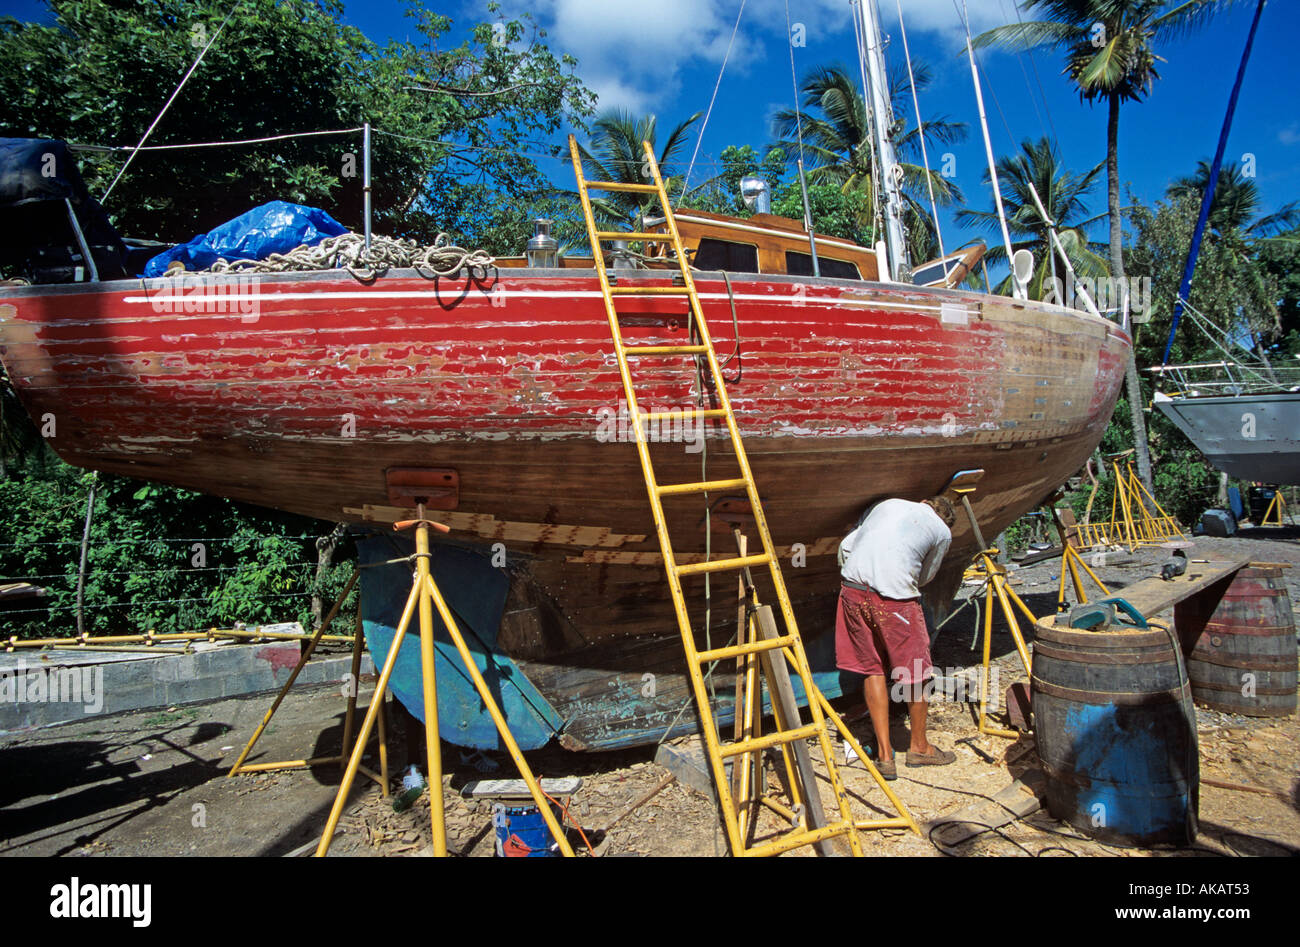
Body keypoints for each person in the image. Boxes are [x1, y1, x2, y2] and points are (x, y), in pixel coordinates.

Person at [835, 496, 957, 779]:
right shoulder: (942, 532)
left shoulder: (886, 504)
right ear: (945, 521)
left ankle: (885, 756)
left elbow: (846, 547)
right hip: (894, 601)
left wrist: (861, 575)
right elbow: (925, 576)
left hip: (852, 591)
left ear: (925, 501)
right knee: (916, 673)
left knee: (872, 669)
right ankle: (919, 748)